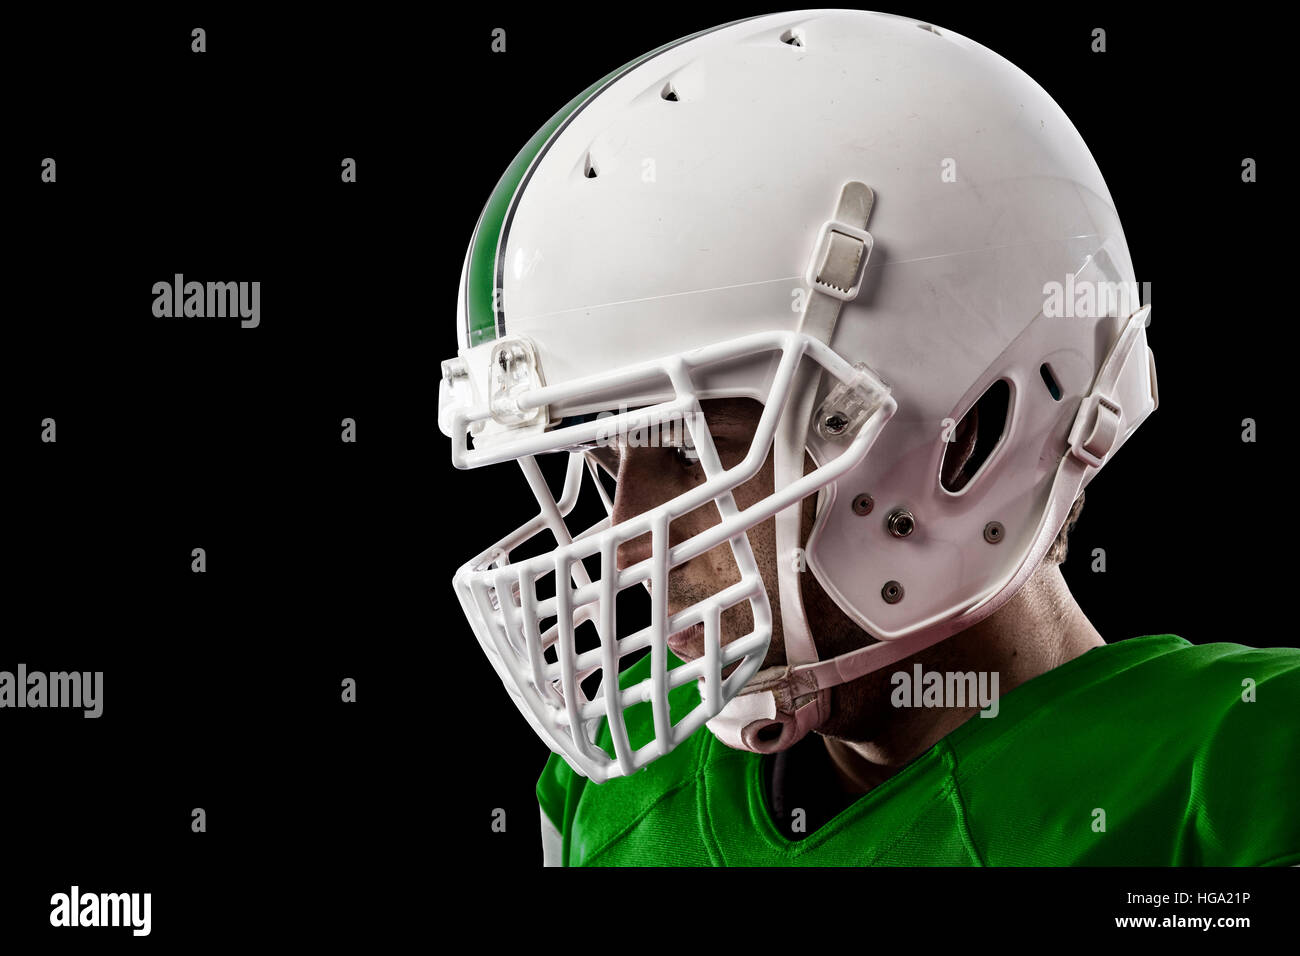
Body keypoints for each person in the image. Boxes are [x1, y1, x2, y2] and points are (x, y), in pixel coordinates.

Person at [437, 10, 1299, 866]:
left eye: (696, 452)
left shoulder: (1245, 778)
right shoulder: (618, 784)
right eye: (605, 458)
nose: (623, 550)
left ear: (965, 445)